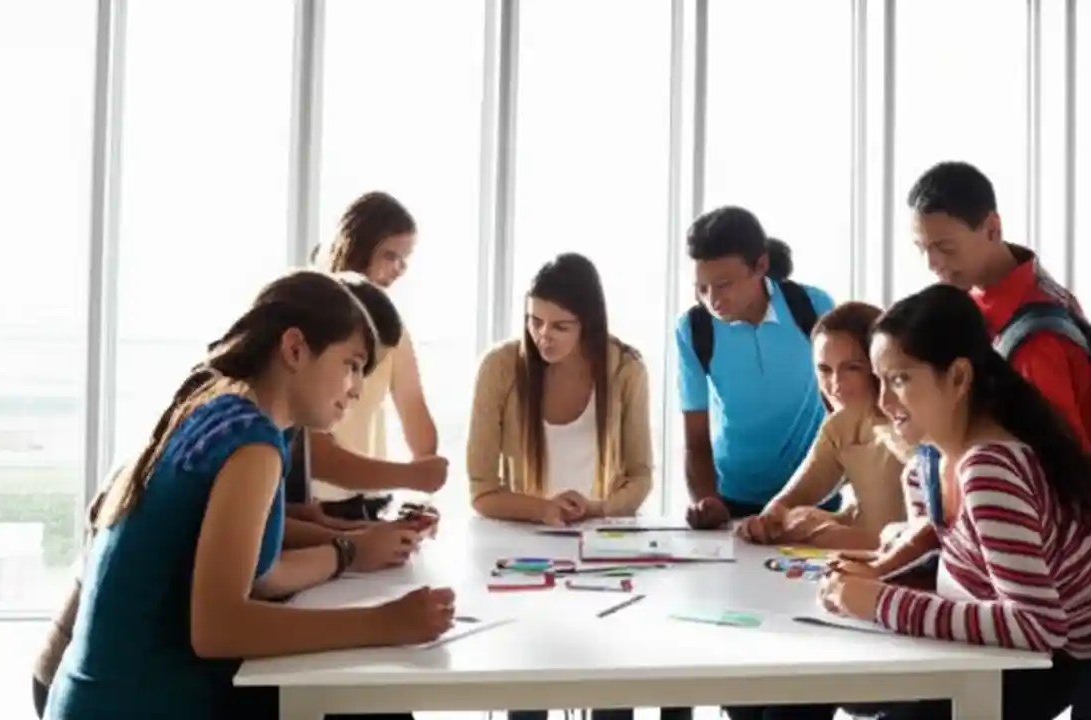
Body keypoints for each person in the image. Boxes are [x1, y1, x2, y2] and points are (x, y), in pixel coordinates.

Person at [44, 270, 457, 720]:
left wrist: (348, 549)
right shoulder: (253, 445)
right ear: (295, 349)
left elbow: (263, 572)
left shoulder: (221, 414)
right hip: (138, 706)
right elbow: (218, 628)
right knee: (369, 704)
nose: (357, 389)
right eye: (352, 365)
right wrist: (384, 623)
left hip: (94, 701)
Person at [821, 284, 1091, 720]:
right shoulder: (926, 463)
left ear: (957, 377)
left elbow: (1034, 626)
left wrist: (878, 601)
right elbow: (954, 548)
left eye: (900, 379)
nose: (883, 401)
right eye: (881, 381)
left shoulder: (990, 471)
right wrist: (881, 569)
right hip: (1067, 628)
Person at [905, 161, 1091, 521]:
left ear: (992, 228)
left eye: (946, 247)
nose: (932, 262)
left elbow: (1063, 470)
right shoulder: (985, 299)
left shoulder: (1036, 340)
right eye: (922, 248)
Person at [677, 207, 837, 530]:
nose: (713, 300)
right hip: (734, 500)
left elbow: (846, 405)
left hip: (815, 499)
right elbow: (695, 438)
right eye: (702, 288)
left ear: (760, 265)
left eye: (723, 284)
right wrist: (706, 500)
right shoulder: (693, 329)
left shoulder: (813, 307)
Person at [468, 252, 651, 525]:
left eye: (560, 327)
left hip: (597, 536)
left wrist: (596, 508)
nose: (543, 337)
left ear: (587, 325)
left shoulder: (626, 369)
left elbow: (640, 476)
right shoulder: (498, 368)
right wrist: (542, 510)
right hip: (521, 535)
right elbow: (482, 492)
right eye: (535, 321)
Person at [312, 191, 447, 520]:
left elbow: (413, 407)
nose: (400, 269)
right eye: (390, 255)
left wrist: (424, 487)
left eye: (405, 258)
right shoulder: (312, 316)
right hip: (314, 504)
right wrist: (413, 476)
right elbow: (316, 449)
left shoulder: (392, 328)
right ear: (358, 247)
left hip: (371, 503)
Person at [735, 302, 908, 550]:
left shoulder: (912, 431)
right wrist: (767, 523)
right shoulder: (840, 426)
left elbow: (917, 544)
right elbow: (783, 507)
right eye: (825, 370)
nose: (835, 385)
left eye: (852, 368)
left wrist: (819, 530)